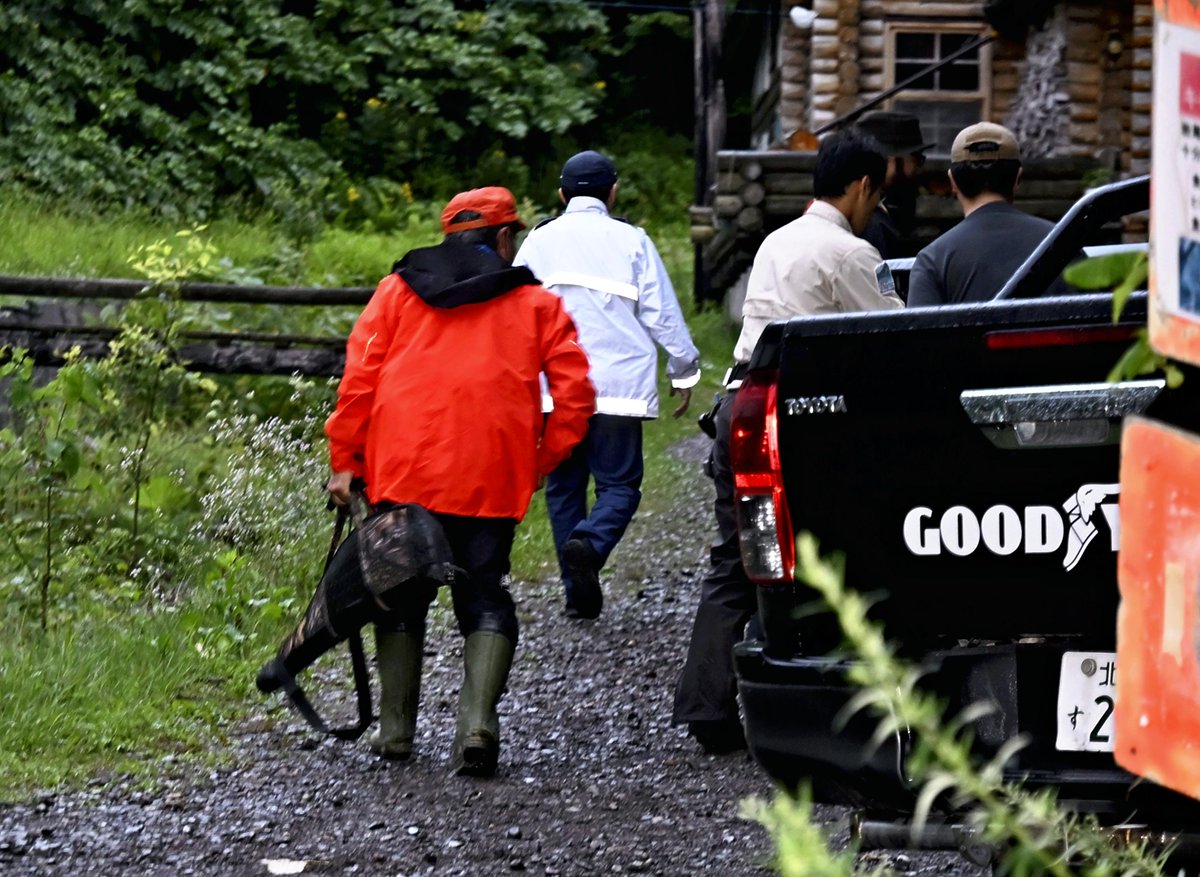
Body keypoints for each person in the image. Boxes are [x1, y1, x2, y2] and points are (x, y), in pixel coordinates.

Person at [324, 186, 594, 776]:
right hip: (491, 476)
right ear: (504, 238)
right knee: (483, 594)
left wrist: (345, 458)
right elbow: (576, 392)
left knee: (397, 595)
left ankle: (395, 733)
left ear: (448, 233)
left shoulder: (396, 292)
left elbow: (360, 378)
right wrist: (542, 457)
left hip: (403, 472)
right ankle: (476, 727)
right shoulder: (537, 304)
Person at [672, 129, 903, 754]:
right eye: (876, 195)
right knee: (828, 554)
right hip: (799, 416)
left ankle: (706, 706)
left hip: (737, 406)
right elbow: (892, 339)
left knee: (737, 560)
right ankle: (833, 709)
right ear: (861, 187)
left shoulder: (776, 240)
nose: (874, 208)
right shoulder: (852, 256)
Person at [514, 150, 701, 620]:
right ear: (612, 192)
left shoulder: (538, 242)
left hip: (557, 388)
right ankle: (592, 543)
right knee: (619, 486)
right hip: (618, 387)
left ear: (561, 195)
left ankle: (578, 597)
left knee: (563, 489)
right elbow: (662, 313)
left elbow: (514, 311)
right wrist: (684, 370)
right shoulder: (632, 240)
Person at [906, 121, 1071, 306]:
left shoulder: (933, 260)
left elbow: (919, 331)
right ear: (1018, 178)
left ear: (952, 181)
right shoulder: (1064, 244)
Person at [853, 110, 933, 261]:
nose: (919, 167)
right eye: (917, 158)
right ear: (890, 159)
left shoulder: (883, 214)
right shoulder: (874, 225)